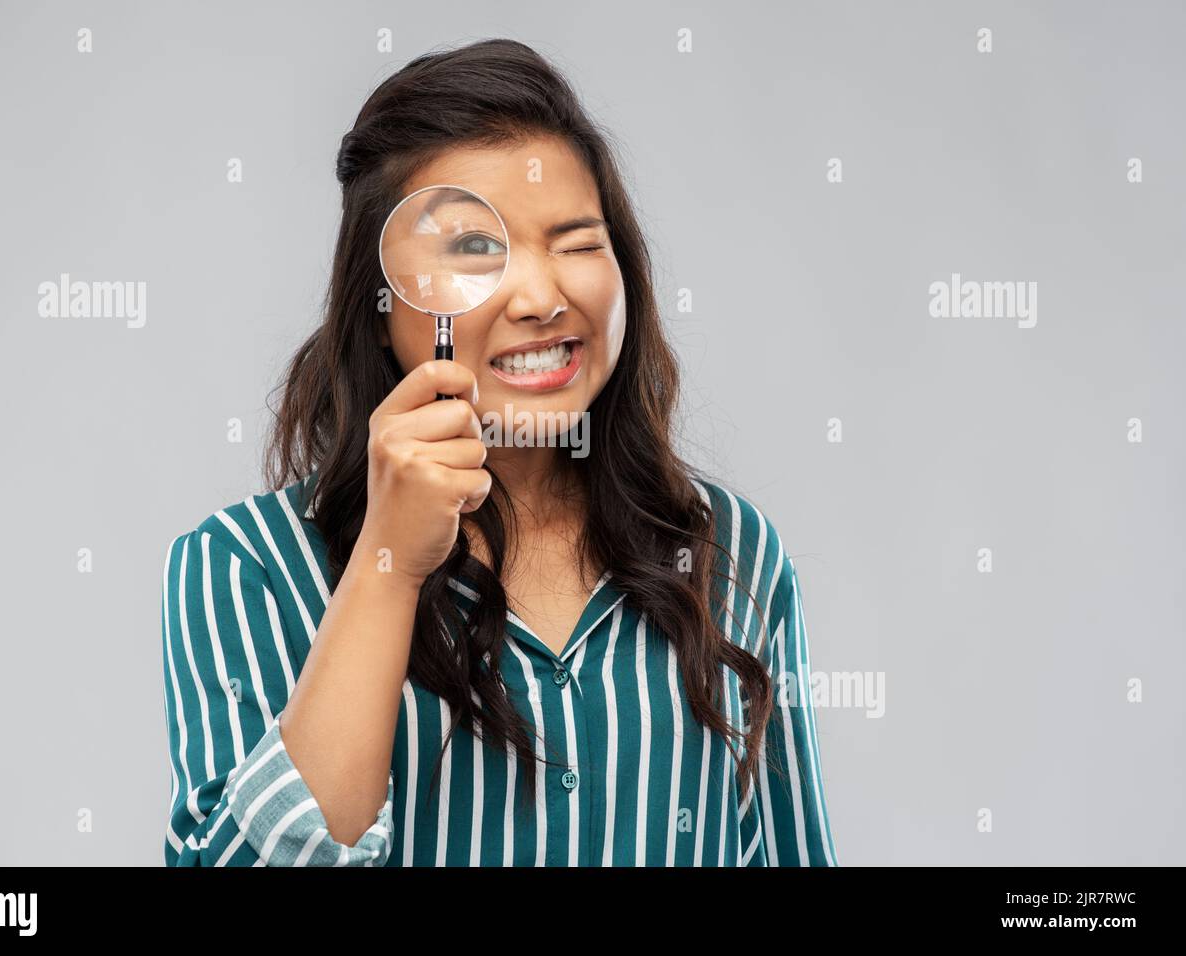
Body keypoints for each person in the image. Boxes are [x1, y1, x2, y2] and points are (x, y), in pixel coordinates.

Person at [161, 37, 839, 866]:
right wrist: (387, 562)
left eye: (577, 242)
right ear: (382, 302)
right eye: (476, 249)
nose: (542, 298)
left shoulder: (730, 551)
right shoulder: (245, 567)